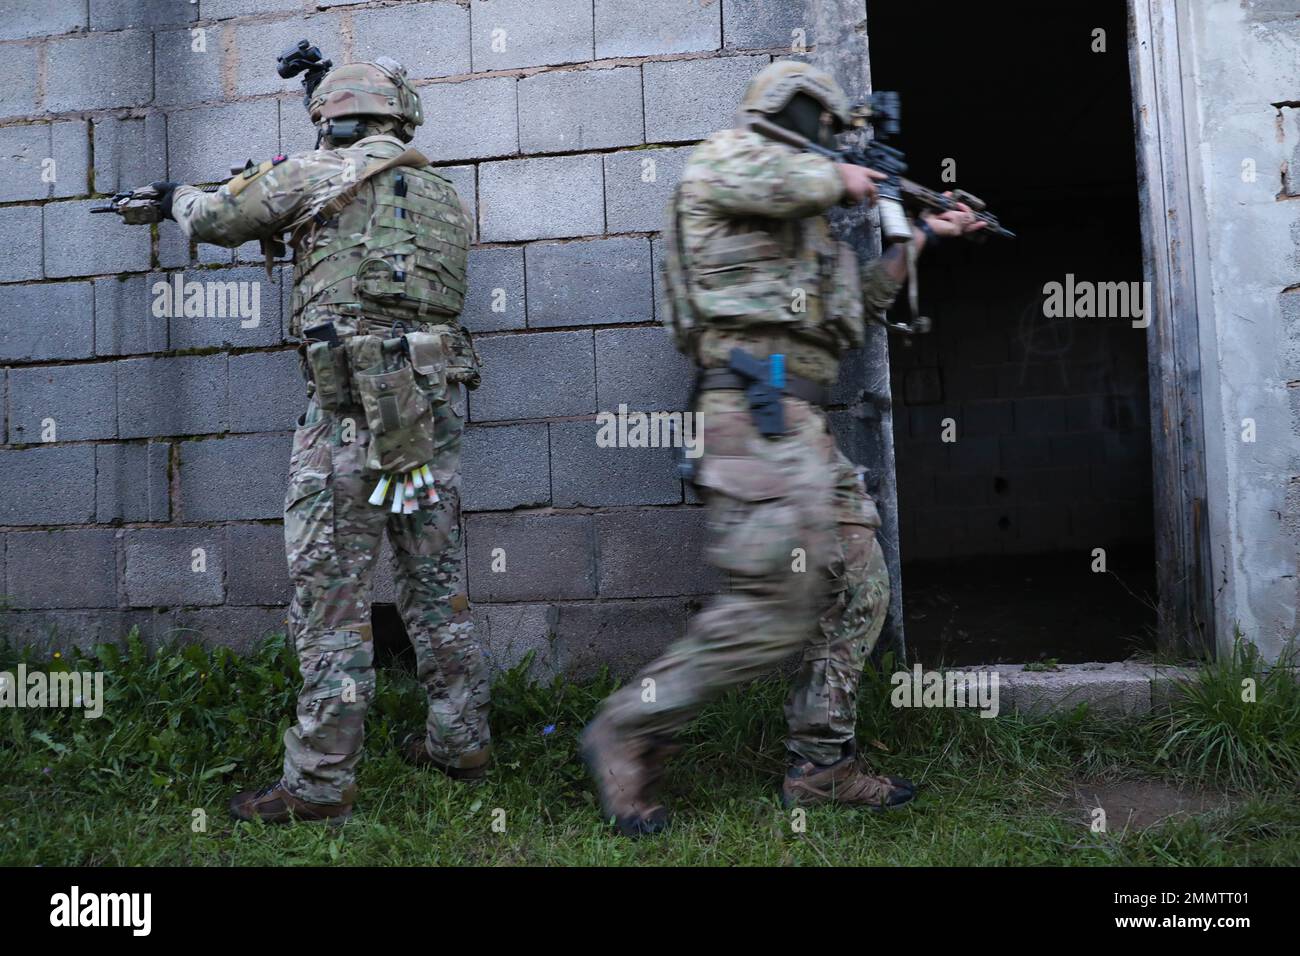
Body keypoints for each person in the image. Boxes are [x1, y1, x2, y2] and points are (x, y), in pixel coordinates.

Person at [581, 60, 986, 836]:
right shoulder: (728, 160)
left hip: (804, 425)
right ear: (793, 111)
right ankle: (625, 728)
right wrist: (853, 179)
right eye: (824, 123)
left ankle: (821, 764)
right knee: (775, 607)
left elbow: (861, 308)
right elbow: (784, 180)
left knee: (860, 583)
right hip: (751, 410)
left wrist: (927, 233)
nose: (831, 139)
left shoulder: (810, 228)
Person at [153, 57, 488, 824]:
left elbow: (216, 219)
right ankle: (461, 740)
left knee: (329, 599)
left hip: (348, 423)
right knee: (432, 580)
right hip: (424, 417)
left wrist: (177, 199)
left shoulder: (315, 174)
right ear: (401, 116)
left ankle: (319, 786)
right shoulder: (441, 192)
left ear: (333, 117)